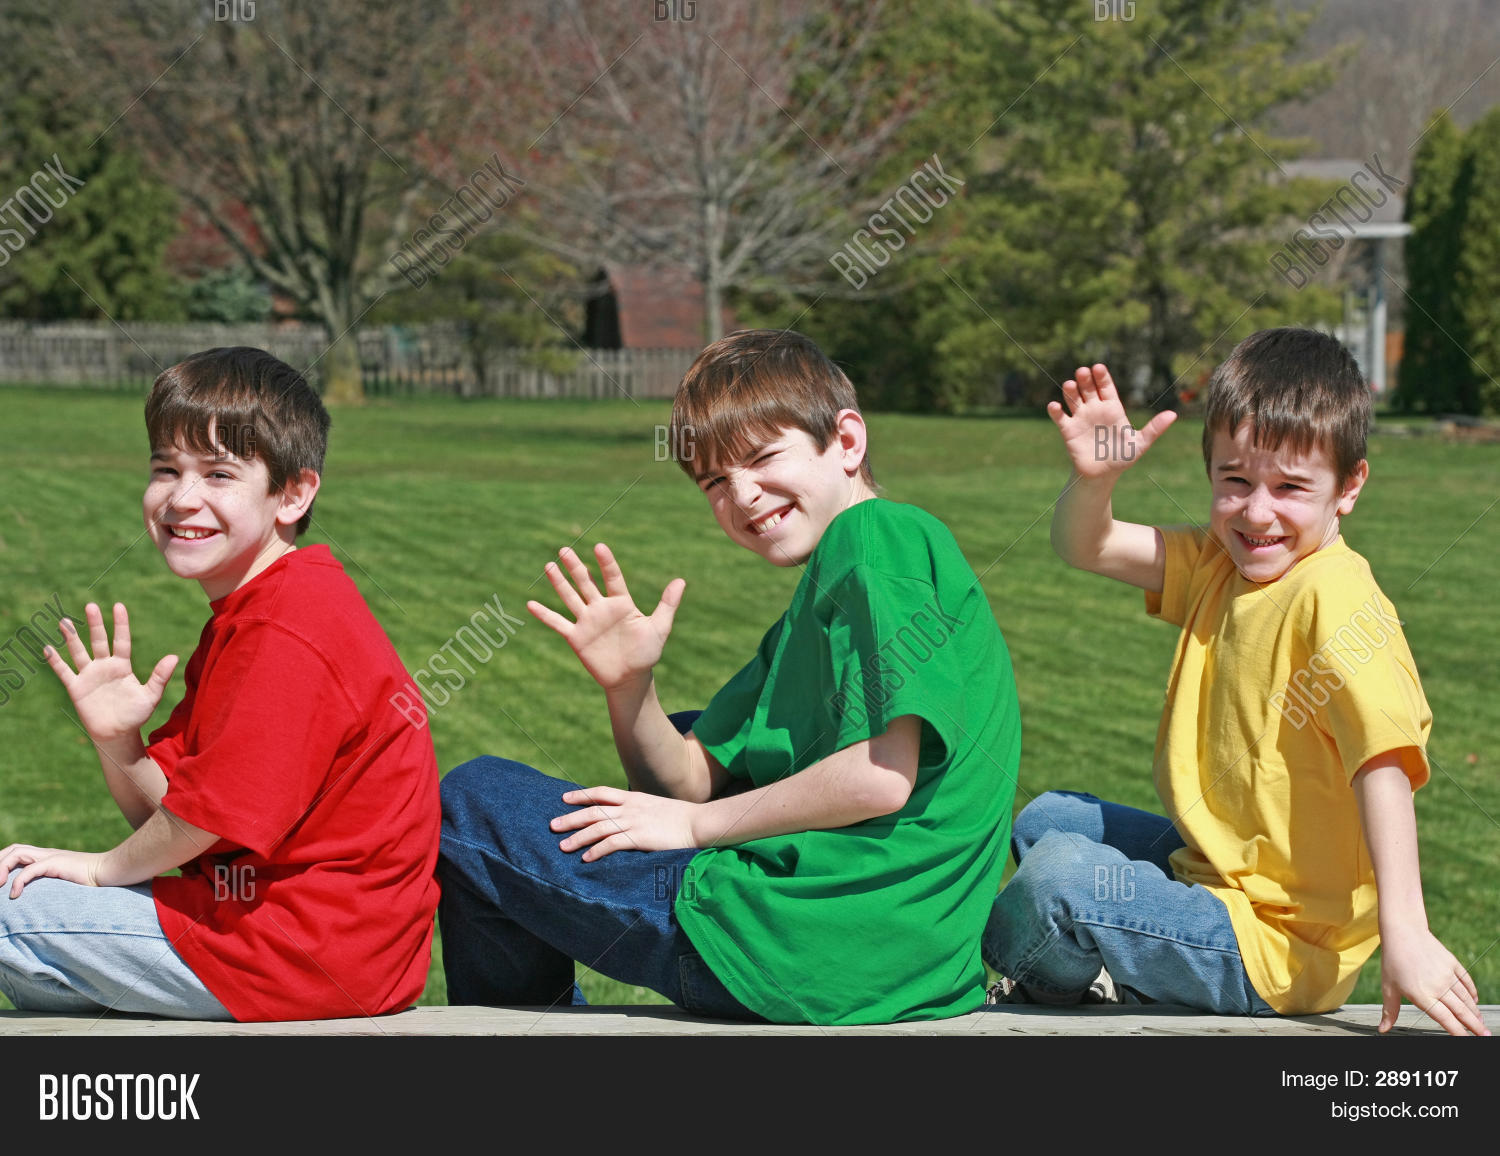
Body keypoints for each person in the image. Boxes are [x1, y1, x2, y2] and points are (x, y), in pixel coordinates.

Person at [438, 328, 1020, 1024]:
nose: (742, 495)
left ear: (847, 442)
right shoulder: (813, 607)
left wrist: (699, 825)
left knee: (471, 802)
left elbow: (879, 775)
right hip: (897, 962)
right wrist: (631, 687)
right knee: (690, 733)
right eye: (715, 481)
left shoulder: (879, 539)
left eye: (763, 457)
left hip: (806, 942)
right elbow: (682, 777)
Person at [984, 327, 1488, 1036]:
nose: (1257, 512)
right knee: (1048, 818)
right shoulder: (1222, 562)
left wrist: (1405, 929)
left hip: (1277, 947)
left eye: (1289, 488)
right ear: (1212, 471)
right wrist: (1095, 481)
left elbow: (1384, 762)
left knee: (1061, 877)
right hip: (1217, 871)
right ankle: (1120, 953)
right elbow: (1085, 544)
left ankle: (1051, 985)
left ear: (1348, 487)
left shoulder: (1337, 599)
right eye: (1236, 481)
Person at [0, 347, 441, 1022]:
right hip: (284, 936)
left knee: (9, 913)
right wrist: (119, 740)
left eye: (219, 473)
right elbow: (172, 816)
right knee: (30, 927)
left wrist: (99, 870)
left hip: (298, 952)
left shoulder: (290, 625)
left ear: (293, 493)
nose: (182, 498)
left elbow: (199, 824)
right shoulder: (260, 608)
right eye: (165, 469)